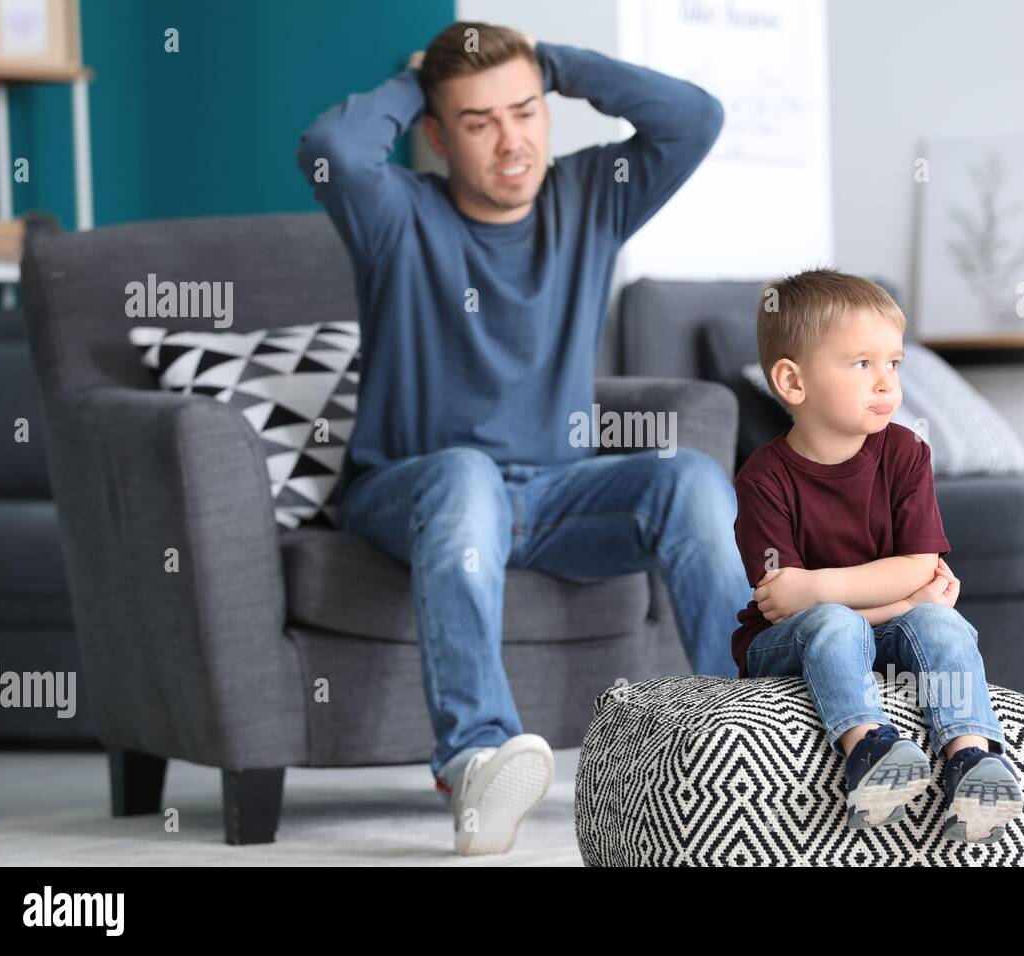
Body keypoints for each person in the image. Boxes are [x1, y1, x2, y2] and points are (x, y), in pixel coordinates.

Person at [296, 21, 750, 855]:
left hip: (553, 495)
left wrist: (556, 64)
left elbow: (696, 117)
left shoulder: (593, 197)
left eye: (526, 112)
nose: (513, 142)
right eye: (478, 122)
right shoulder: (399, 215)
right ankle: (476, 761)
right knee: (467, 475)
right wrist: (416, 80)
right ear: (435, 135)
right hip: (410, 489)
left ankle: (756, 744)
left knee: (690, 477)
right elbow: (330, 145)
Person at [731, 269, 1024, 844]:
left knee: (942, 621)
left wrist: (827, 588)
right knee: (836, 624)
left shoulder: (906, 452)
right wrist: (898, 600)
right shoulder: (763, 478)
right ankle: (869, 749)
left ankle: (972, 756)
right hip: (784, 642)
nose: (886, 383)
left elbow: (919, 566)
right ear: (793, 381)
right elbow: (787, 609)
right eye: (862, 364)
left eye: (893, 363)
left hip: (863, 618)